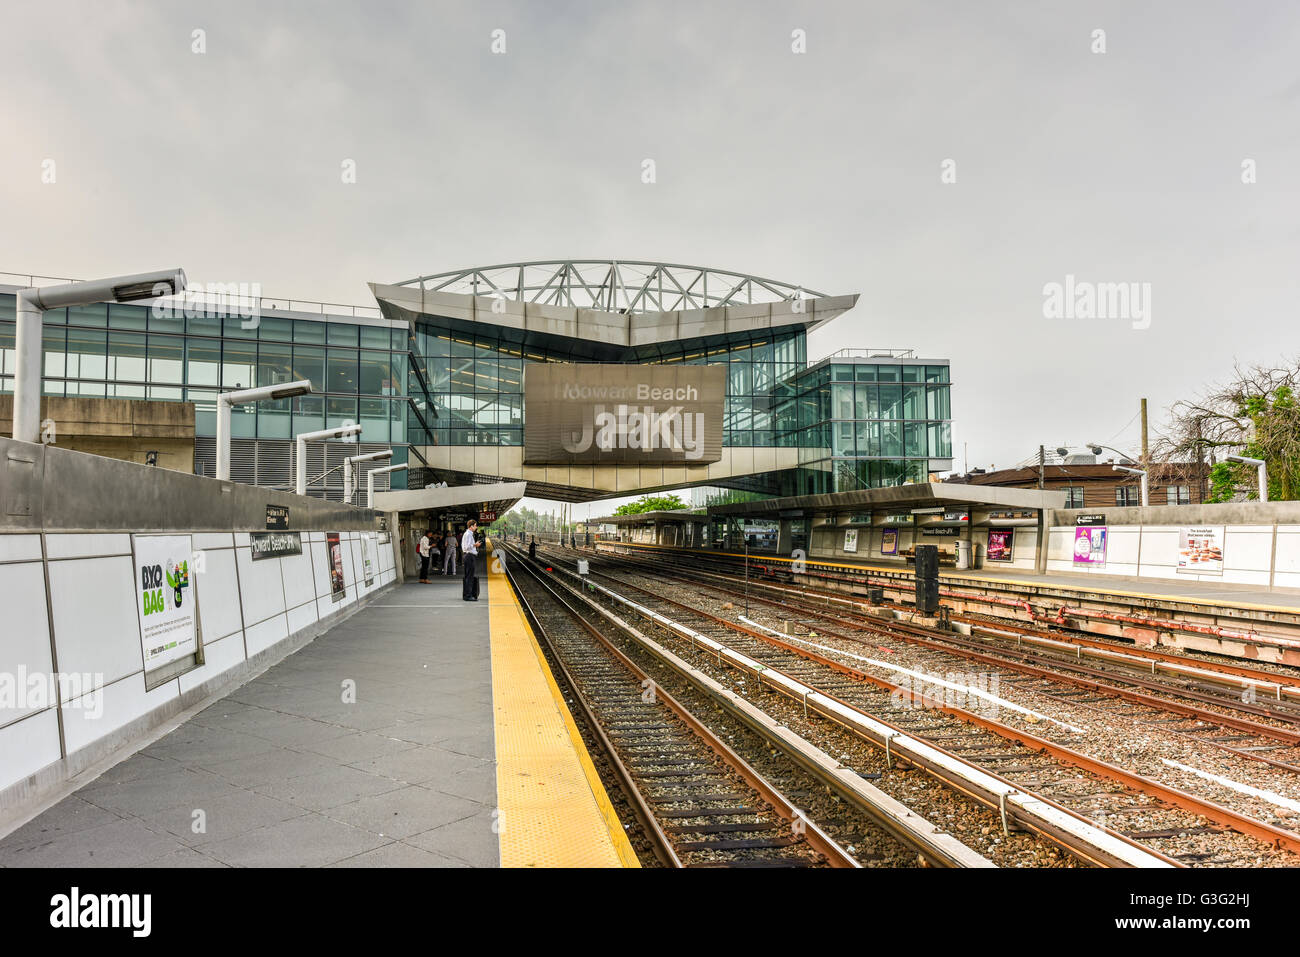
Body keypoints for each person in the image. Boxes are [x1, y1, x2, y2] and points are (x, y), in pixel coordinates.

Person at [461, 519, 480, 601]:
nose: (476, 527)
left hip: (467, 555)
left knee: (467, 575)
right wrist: (476, 544)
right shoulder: (468, 534)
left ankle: (466, 594)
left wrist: (474, 545)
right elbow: (467, 547)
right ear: (471, 526)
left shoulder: (467, 534)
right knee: (469, 576)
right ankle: (468, 596)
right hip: (469, 556)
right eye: (475, 525)